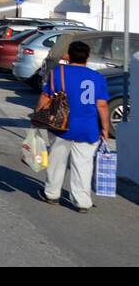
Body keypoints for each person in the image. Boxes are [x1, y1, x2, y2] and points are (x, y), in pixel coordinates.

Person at [36, 40, 113, 212]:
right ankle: (82, 202)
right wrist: (105, 128)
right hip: (88, 128)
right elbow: (102, 105)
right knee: (83, 166)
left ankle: (51, 194)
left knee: (57, 161)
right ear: (88, 57)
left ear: (68, 56)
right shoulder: (98, 77)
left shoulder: (59, 73)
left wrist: (37, 116)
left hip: (61, 125)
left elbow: (46, 96)